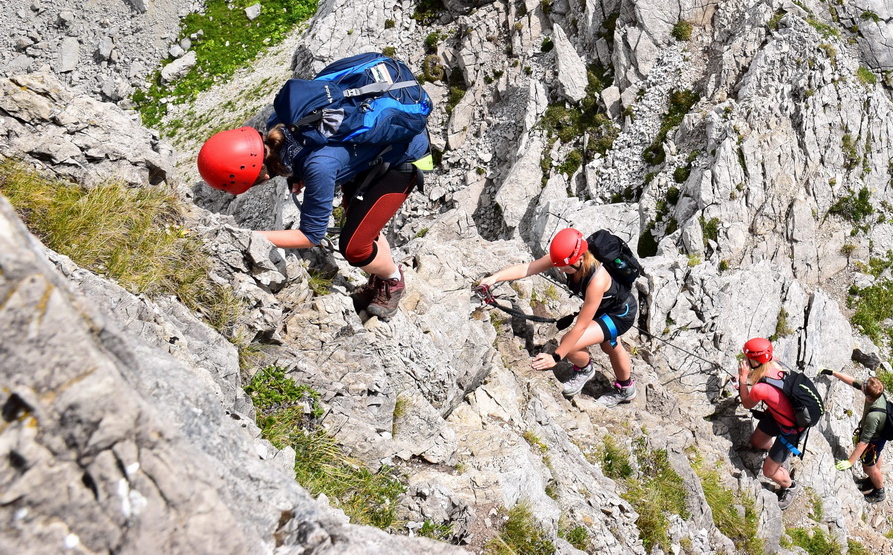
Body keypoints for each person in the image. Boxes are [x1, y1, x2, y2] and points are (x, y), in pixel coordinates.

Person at [197, 120, 429, 319]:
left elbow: (311, 235)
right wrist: (295, 174)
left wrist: (249, 237)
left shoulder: (318, 167)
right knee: (360, 225)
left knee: (355, 248)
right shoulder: (279, 124)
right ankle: (380, 277)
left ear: (263, 175)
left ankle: (392, 280)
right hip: (372, 150)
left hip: (404, 155)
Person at [477, 228, 638, 406]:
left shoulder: (597, 280)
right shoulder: (566, 258)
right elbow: (528, 268)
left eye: (564, 267)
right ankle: (621, 384)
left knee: (573, 344)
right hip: (605, 307)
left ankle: (600, 377)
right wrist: (494, 278)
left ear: (579, 259)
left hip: (619, 314)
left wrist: (555, 357)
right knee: (610, 346)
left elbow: (580, 327)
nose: (560, 270)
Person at [736, 337, 804, 508]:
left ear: (755, 361)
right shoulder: (777, 364)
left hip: (791, 429)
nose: (745, 360)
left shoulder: (760, 389)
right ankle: (778, 456)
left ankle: (790, 486)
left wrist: (743, 379)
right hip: (777, 415)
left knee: (768, 471)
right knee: (757, 442)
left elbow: (747, 403)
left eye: (748, 358)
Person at [825, 369, 890, 502]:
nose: (862, 387)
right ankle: (871, 481)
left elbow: (864, 442)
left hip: (874, 440)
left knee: (868, 467)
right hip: (880, 435)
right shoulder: (877, 393)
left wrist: (850, 462)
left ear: (868, 397)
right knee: (877, 456)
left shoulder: (873, 416)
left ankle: (879, 492)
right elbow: (854, 382)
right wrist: (833, 373)